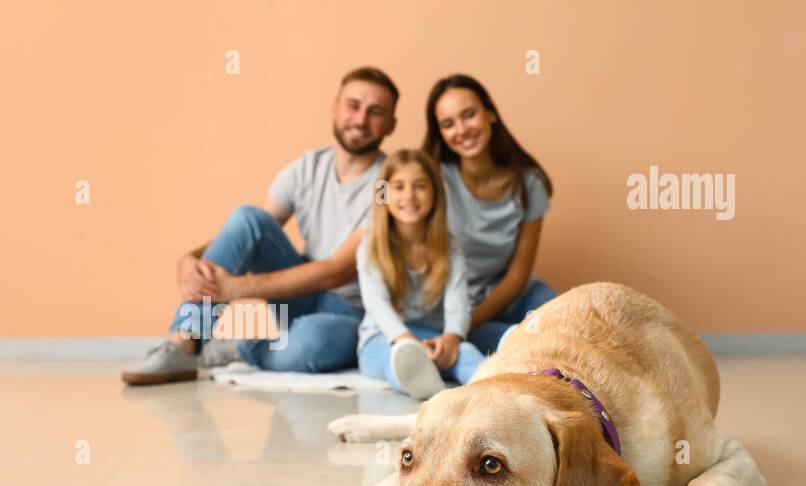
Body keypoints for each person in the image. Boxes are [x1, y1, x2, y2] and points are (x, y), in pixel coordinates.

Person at [122, 66, 399, 385]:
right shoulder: (308, 167)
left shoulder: (387, 184)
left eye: (375, 112)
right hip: (301, 296)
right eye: (353, 106)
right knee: (247, 215)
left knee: (311, 344)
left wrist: (235, 289)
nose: (361, 120)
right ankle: (185, 341)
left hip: (348, 310)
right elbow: (250, 229)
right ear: (335, 108)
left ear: (391, 124)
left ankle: (240, 348)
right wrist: (189, 258)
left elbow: (337, 270)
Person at [423, 74, 556, 353]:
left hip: (511, 294)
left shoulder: (529, 183)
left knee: (562, 321)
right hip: (457, 301)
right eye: (448, 124)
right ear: (441, 134)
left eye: (469, 115)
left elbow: (517, 276)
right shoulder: (433, 180)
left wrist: (468, 324)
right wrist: (459, 325)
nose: (461, 130)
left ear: (490, 113)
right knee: (519, 344)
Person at [356, 149, 484, 400]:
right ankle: (432, 393)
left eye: (420, 186)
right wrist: (405, 341)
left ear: (435, 194)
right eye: (399, 187)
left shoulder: (450, 248)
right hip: (382, 338)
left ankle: (491, 389)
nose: (409, 196)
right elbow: (377, 304)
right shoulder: (370, 245)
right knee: (397, 361)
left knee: (467, 353)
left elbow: (458, 304)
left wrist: (451, 338)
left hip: (431, 334)